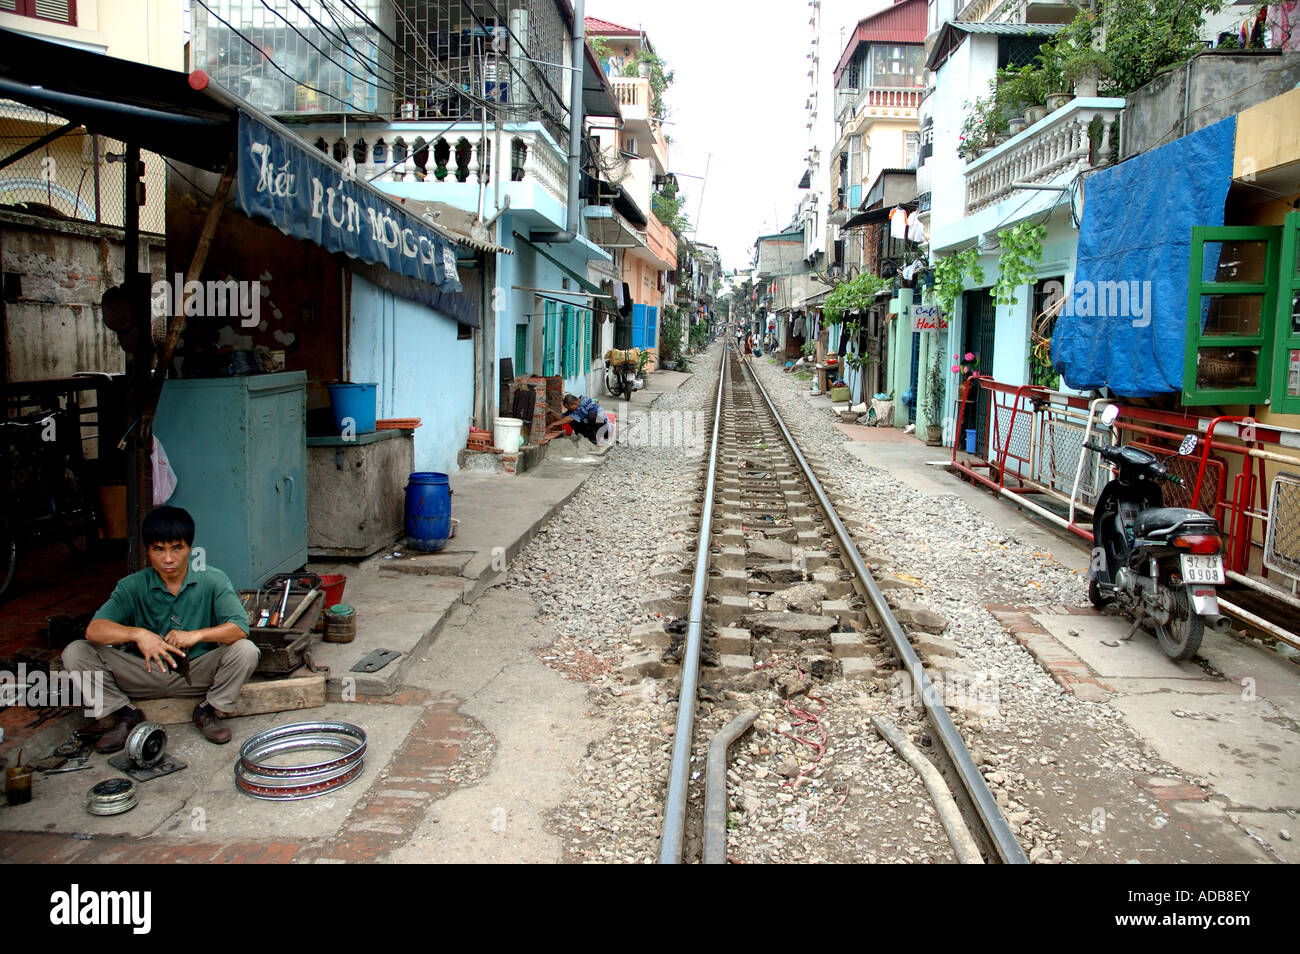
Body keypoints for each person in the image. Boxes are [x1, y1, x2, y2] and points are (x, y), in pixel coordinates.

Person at [63, 506, 259, 752]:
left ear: (190, 547)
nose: (168, 559)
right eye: (159, 549)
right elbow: (94, 630)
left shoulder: (213, 579)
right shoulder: (131, 586)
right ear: (147, 551)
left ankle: (208, 710)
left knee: (245, 650)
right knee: (76, 651)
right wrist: (139, 634)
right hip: (141, 673)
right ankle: (124, 714)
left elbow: (239, 628)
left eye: (177, 548)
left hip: (195, 674)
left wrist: (197, 635)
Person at [545, 393, 611, 446]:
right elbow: (563, 418)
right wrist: (551, 412)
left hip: (604, 430)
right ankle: (589, 439)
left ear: (575, 404)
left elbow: (569, 418)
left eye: (569, 408)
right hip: (592, 430)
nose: (569, 410)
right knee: (572, 419)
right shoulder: (576, 407)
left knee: (592, 415)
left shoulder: (584, 403)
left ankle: (601, 440)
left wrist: (552, 424)